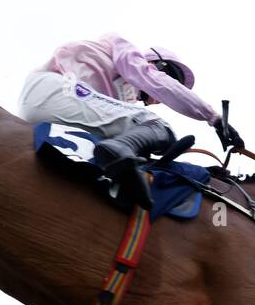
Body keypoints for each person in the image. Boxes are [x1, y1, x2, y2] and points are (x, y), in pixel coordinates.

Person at [19, 33, 243, 208]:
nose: (158, 100)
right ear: (158, 65)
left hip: (46, 108)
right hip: (55, 91)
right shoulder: (122, 48)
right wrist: (212, 118)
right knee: (157, 125)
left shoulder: (115, 98)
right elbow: (151, 79)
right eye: (172, 78)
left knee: (132, 146)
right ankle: (118, 149)